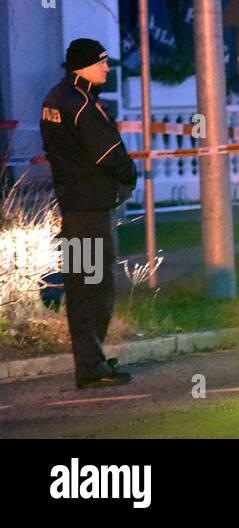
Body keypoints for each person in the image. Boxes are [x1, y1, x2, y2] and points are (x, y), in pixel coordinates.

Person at [39, 39, 138, 389]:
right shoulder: (81, 104)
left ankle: (92, 361)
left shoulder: (55, 98)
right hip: (91, 210)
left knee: (83, 286)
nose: (107, 68)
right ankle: (91, 366)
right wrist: (130, 175)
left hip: (73, 206)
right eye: (102, 63)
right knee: (94, 288)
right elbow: (108, 153)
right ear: (83, 66)